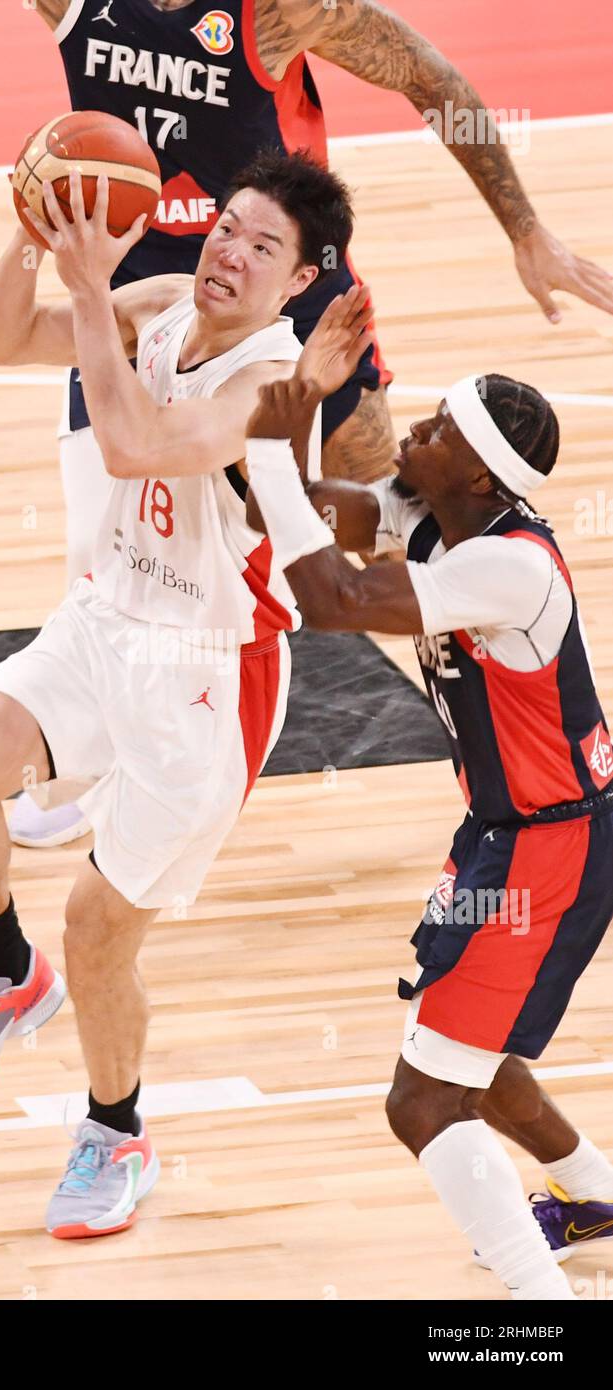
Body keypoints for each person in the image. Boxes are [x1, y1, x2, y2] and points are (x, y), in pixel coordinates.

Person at [0, 0, 613, 847]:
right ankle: (97, 755)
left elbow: (427, 75)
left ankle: (534, 709)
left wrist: (525, 231)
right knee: (104, 548)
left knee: (392, 527)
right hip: (140, 288)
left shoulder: (279, 14)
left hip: (289, 296)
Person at [0, 150, 357, 1237]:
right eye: (229, 228)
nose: (231, 254)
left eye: (264, 248)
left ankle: (117, 1131)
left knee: (100, 926)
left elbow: (132, 445)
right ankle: (8, 975)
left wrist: (79, 288)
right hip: (108, 618)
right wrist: (40, 224)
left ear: (297, 283)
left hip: (208, 676)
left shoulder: (268, 387)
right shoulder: (159, 301)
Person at [241, 304, 613, 1297]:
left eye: (441, 429)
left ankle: (542, 1304)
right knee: (467, 1056)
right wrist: (291, 408)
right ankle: (589, 1193)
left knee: (420, 1097)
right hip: (506, 836)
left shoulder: (508, 567)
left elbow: (334, 601)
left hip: (548, 849)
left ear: (484, 478)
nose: (416, 430)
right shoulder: (437, 511)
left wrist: (275, 455)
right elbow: (293, 510)